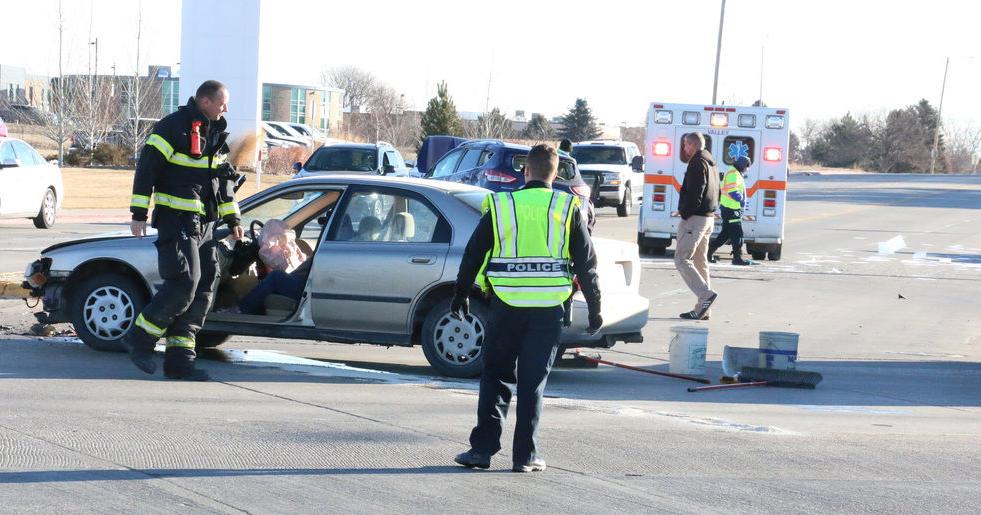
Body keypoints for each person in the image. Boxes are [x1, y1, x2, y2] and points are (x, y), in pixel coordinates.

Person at [451, 143, 602, 473]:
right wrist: (595, 308)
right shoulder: (567, 207)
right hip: (548, 308)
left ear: (526, 171)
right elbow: (586, 263)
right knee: (533, 383)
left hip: (506, 304)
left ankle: (482, 450)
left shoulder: (503, 205)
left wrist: (461, 294)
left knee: (495, 376)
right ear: (556, 173)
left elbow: (474, 253)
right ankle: (525, 457)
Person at [123, 80, 244, 381]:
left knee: (204, 288)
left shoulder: (216, 134)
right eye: (222, 102)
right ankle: (140, 337)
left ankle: (180, 363)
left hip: (205, 224)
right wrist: (139, 213)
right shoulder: (172, 127)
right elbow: (147, 169)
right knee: (183, 284)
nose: (226, 108)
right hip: (176, 219)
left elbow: (223, 185)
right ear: (204, 101)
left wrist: (233, 220)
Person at [675, 132, 720, 321]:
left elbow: (697, 190)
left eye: (685, 145)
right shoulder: (711, 162)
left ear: (692, 145)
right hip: (708, 218)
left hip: (695, 218)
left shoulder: (697, 162)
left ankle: (705, 296)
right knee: (701, 261)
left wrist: (685, 212)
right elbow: (717, 190)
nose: (684, 149)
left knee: (681, 259)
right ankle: (704, 309)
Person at [708, 156, 754, 266]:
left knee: (726, 233)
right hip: (732, 209)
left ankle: (708, 252)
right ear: (743, 165)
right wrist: (741, 199)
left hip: (728, 208)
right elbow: (733, 191)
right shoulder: (734, 174)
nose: (747, 169)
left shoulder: (733, 172)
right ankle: (737, 258)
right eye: (747, 167)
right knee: (737, 233)